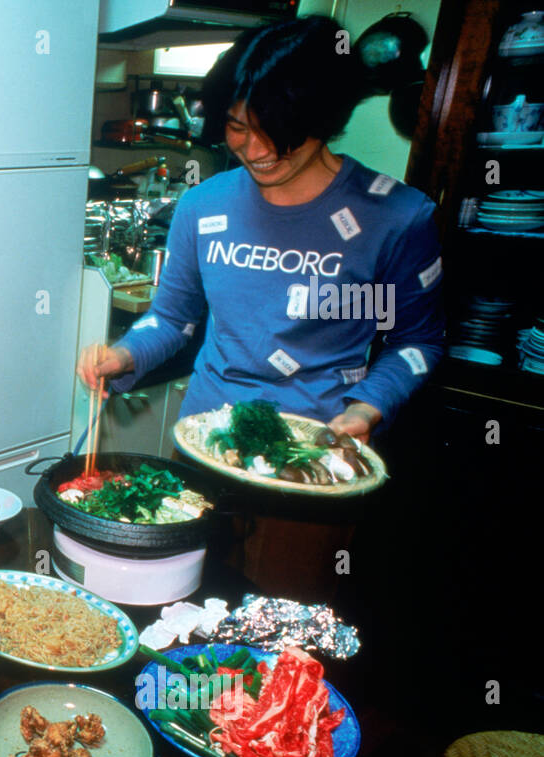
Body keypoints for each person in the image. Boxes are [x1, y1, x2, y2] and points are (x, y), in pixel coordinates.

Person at [77, 15, 444, 446]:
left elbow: (416, 341)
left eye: (277, 131)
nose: (255, 150)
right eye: (238, 127)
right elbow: (173, 319)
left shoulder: (396, 217)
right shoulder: (203, 205)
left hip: (318, 447)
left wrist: (367, 407)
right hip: (205, 442)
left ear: (323, 120)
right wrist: (123, 354)